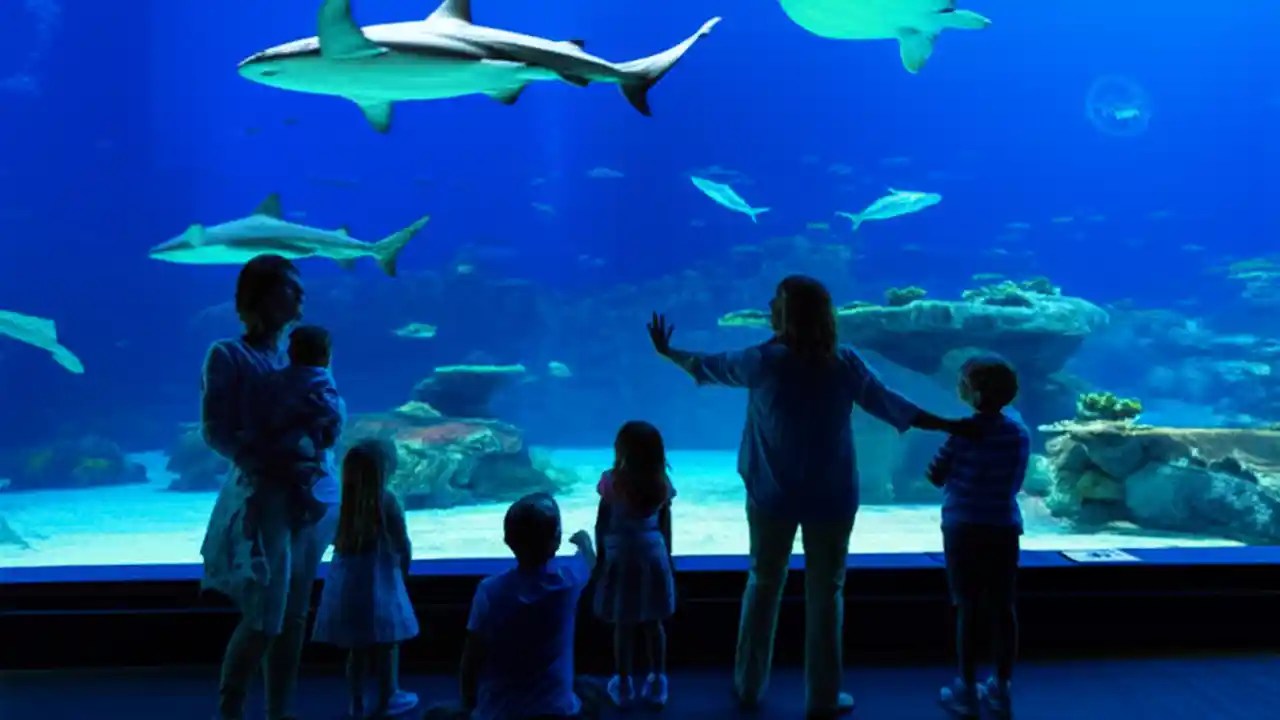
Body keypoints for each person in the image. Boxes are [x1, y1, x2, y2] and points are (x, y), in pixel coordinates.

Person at [646, 274, 972, 718]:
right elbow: (892, 404)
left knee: (762, 584)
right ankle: (822, 696)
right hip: (831, 498)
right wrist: (952, 424)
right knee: (826, 593)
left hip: (770, 495)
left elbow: (706, 365)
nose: (768, 303)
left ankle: (748, 686)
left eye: (776, 299)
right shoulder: (844, 364)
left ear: (788, 311)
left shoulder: (761, 361)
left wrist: (668, 353)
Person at [199, 254, 343, 720]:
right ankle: (231, 708)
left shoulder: (301, 354)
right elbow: (216, 431)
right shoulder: (228, 354)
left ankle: (281, 711)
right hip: (264, 497)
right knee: (266, 613)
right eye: (289, 287)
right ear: (259, 296)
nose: (301, 295)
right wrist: (273, 459)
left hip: (307, 498)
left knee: (296, 612)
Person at [927, 355, 1029, 719]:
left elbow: (936, 475)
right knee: (1003, 607)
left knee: (967, 607)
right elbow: (1016, 479)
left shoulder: (962, 431)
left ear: (970, 393)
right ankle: (1001, 687)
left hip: (962, 527)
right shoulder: (1018, 433)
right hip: (1002, 525)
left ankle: (966, 688)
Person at [460, 493, 596, 720]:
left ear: (507, 540)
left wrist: (468, 703)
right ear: (557, 541)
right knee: (591, 691)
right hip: (556, 711)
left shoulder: (489, 591)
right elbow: (590, 562)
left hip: (498, 711)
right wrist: (584, 541)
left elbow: (471, 655)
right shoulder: (568, 583)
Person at [312, 438, 419, 719]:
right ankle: (388, 697)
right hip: (382, 585)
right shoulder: (388, 500)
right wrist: (404, 574)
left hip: (347, 587)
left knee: (357, 649)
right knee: (387, 644)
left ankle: (356, 702)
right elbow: (402, 544)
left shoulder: (342, 502)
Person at [592, 421, 677, 709]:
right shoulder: (662, 484)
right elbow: (666, 525)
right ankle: (657, 680)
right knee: (654, 623)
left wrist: (601, 557)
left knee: (623, 623)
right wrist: (670, 557)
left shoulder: (611, 482)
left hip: (622, 556)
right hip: (653, 554)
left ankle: (624, 681)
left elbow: (602, 523)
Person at [260, 323, 344, 527]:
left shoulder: (272, 380)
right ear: (326, 354)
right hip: (314, 464)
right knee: (317, 520)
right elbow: (330, 427)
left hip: (272, 465)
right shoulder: (322, 382)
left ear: (291, 352)